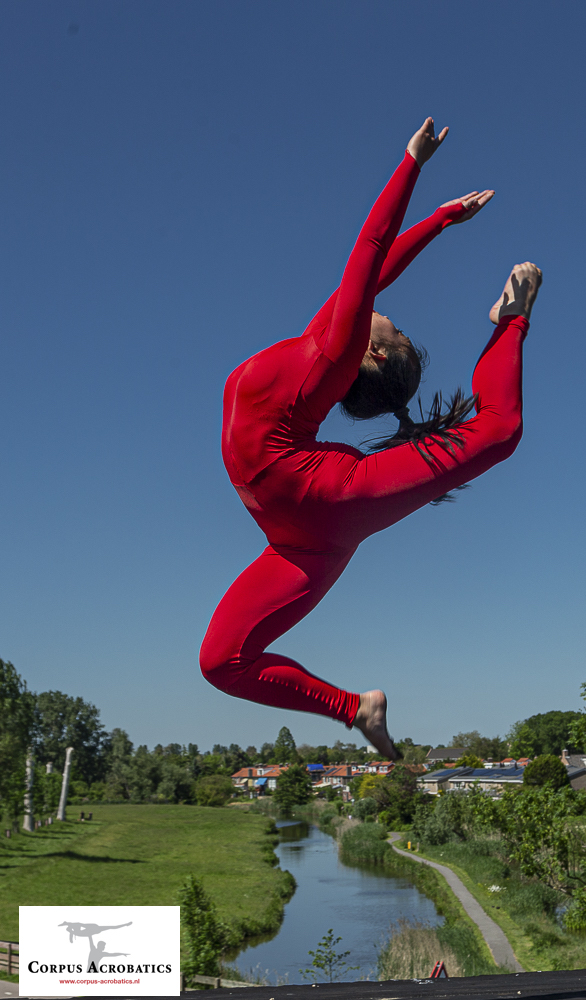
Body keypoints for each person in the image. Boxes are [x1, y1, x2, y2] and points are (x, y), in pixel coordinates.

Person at [200, 117, 541, 759]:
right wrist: (440, 220)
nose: (386, 316)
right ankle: (356, 709)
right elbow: (377, 273)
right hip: (298, 543)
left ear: (374, 355)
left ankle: (512, 322)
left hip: (333, 502)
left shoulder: (331, 355)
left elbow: (369, 253)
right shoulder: (319, 346)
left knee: (500, 430)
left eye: (393, 330)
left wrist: (412, 162)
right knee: (222, 661)